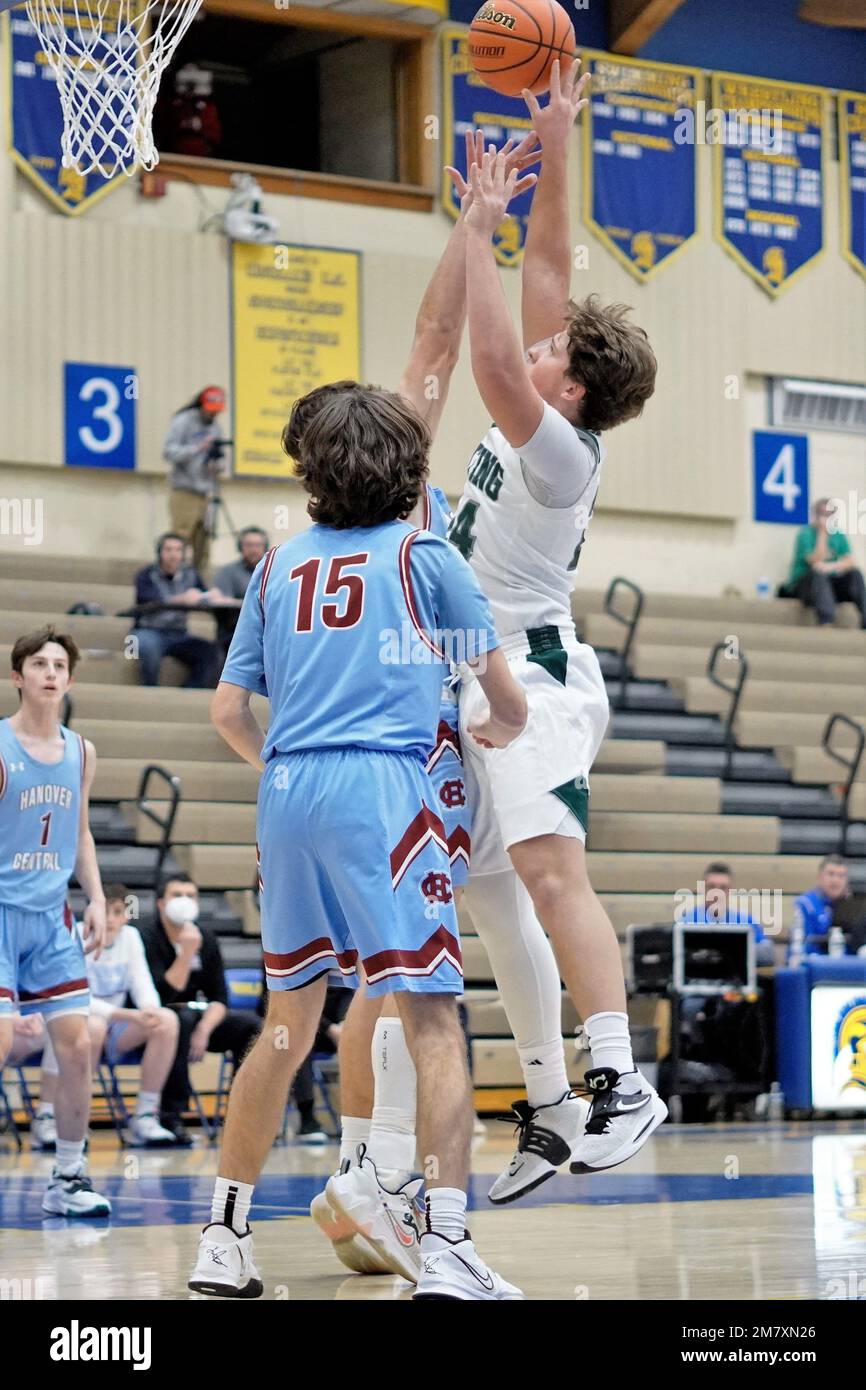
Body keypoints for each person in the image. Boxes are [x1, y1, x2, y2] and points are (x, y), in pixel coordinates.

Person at [188, 382, 529, 1302]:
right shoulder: (427, 556)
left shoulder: (273, 566)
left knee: (287, 1026)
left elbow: (228, 711)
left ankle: (222, 1240)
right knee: (433, 1019)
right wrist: (487, 731)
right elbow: (508, 703)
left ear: (312, 471)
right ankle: (449, 1246)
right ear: (406, 469)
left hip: (288, 791)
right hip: (384, 792)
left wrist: (288, 769)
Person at [448, 63, 663, 1198]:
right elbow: (550, 275)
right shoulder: (560, 402)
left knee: (547, 871)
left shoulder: (556, 447)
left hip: (531, 673)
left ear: (569, 393)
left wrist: (470, 225)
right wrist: (555, 138)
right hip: (473, 677)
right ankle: (545, 1107)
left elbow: (492, 356)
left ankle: (621, 1079)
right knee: (491, 895)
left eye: (552, 357)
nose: (538, 347)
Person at [0, 626, 111, 1215]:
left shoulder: (82, 751)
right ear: (17, 677)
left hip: (51, 919)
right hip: (0, 912)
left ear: (69, 678)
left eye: (59, 664)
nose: (49, 672)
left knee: (76, 1043)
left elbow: (81, 832)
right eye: (38, 663)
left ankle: (68, 1178)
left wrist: (92, 897)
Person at [38, 884, 179, 1147]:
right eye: (105, 911)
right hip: (80, 1019)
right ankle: (71, 1119)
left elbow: (141, 981)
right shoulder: (76, 935)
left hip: (117, 1027)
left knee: (167, 1021)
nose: (111, 919)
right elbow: (75, 994)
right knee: (91, 1026)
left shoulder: (131, 938)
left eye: (117, 912)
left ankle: (146, 1116)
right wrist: (124, 1014)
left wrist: (150, 1009)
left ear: (127, 915)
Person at [138, 875, 260, 1144]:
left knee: (251, 1027)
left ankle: (241, 1112)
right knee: (179, 1019)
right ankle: (172, 1115)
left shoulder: (205, 936)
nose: (184, 901)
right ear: (160, 903)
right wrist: (185, 953)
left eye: (190, 896)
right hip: (152, 1022)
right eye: (177, 895)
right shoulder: (144, 935)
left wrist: (205, 1029)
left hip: (194, 1021)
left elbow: (219, 997)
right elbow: (161, 994)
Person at [129, 533, 219, 687]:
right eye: (168, 550)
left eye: (178, 550)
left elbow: (203, 595)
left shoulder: (190, 574)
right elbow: (152, 601)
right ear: (159, 553)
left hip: (179, 633)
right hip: (149, 630)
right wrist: (183, 598)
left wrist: (211, 595)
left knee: (212, 654)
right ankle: (149, 693)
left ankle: (187, 694)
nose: (173, 554)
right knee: (146, 647)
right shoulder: (145, 575)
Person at [163, 386, 229, 572]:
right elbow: (168, 452)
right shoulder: (183, 421)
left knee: (203, 540)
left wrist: (218, 463)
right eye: (210, 409)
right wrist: (197, 448)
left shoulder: (215, 427)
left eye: (217, 410)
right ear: (201, 404)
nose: (213, 414)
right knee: (180, 539)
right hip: (184, 490)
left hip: (206, 492)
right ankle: (176, 578)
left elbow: (219, 455)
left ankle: (199, 580)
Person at [787, 498, 866, 628]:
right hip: (806, 586)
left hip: (830, 585)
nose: (826, 518)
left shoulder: (839, 535)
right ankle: (826, 620)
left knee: (855, 574)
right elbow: (815, 560)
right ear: (815, 515)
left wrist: (831, 566)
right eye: (823, 514)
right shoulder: (805, 533)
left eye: (830, 514)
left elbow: (850, 561)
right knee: (818, 573)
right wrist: (822, 533)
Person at [679, 862, 776, 966]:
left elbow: (768, 954)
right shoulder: (687, 920)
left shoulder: (745, 921)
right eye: (711, 887)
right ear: (703, 888)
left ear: (730, 891)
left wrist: (727, 952)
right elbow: (676, 954)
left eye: (723, 888)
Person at [290, 982, 352, 1144]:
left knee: (365, 1037)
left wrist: (345, 1022)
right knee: (299, 1041)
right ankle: (307, 1117)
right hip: (296, 1023)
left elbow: (349, 990)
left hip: (336, 1023)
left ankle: (360, 1118)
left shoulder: (350, 957)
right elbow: (293, 999)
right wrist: (330, 1028)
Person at [212, 527, 270, 663]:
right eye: (249, 545)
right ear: (240, 547)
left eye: (258, 545)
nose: (253, 550)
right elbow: (221, 601)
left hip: (267, 630)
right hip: (235, 631)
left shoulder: (273, 571)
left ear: (265, 547)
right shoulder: (227, 572)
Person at [791, 854, 851, 957]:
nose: (835, 881)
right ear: (819, 877)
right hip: (814, 964)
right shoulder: (805, 904)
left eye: (841, 876)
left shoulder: (852, 907)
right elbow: (800, 945)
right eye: (831, 874)